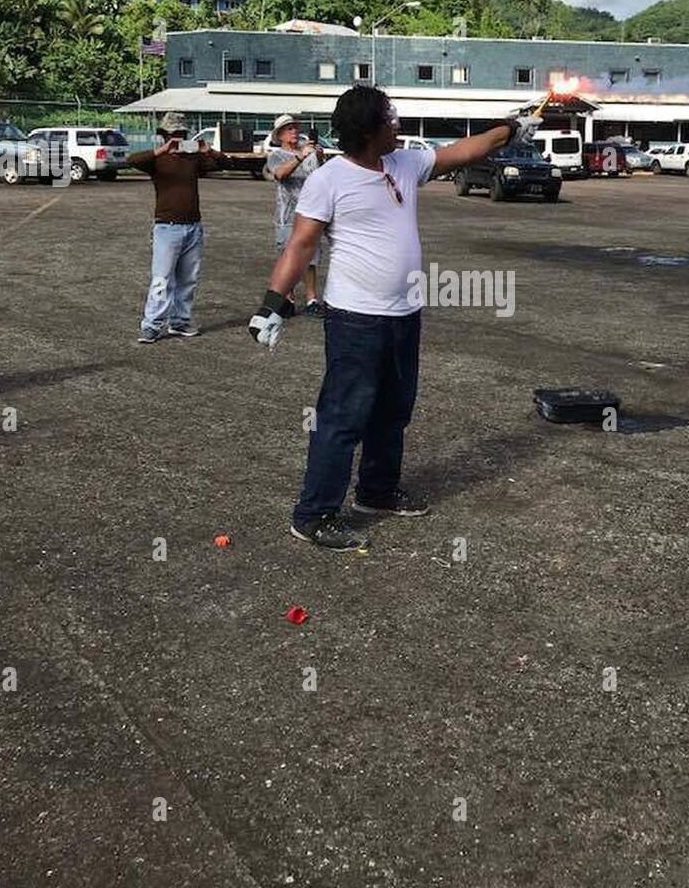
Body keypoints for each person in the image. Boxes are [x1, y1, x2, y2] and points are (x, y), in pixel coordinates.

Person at [248, 85, 540, 552]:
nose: (397, 125)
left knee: (393, 410)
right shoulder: (330, 179)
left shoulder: (404, 164)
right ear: (367, 131)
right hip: (354, 320)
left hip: (404, 314)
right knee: (342, 417)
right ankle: (313, 514)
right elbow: (301, 244)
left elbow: (461, 152)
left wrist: (509, 128)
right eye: (390, 119)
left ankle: (377, 492)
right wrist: (272, 302)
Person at [129, 111, 233, 344]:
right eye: (172, 134)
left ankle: (180, 321)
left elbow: (227, 164)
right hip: (167, 227)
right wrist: (161, 151)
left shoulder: (192, 158)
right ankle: (152, 324)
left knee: (188, 278)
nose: (176, 138)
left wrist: (208, 150)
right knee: (162, 278)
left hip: (193, 226)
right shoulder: (157, 160)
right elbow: (131, 161)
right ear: (163, 136)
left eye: (180, 134)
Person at [265, 113, 324, 316]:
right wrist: (300, 156)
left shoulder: (307, 153)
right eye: (289, 128)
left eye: (295, 128)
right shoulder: (276, 155)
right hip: (287, 215)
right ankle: (287, 299)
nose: (294, 131)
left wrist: (318, 156)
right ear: (279, 135)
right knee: (288, 257)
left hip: (309, 214)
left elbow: (320, 177)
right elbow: (279, 174)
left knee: (311, 259)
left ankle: (311, 299)